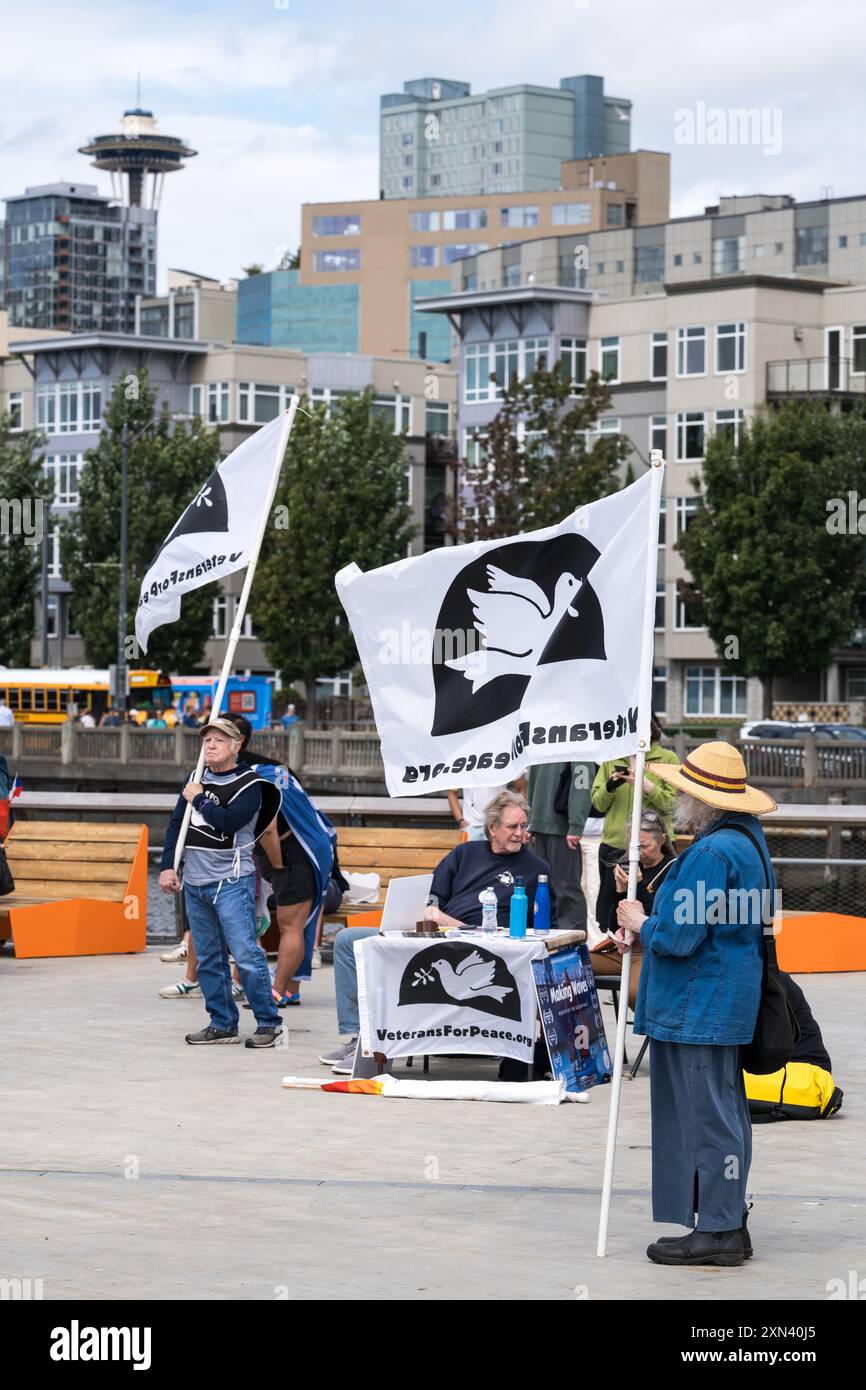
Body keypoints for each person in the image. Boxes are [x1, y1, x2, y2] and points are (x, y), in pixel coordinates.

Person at [613, 740, 777, 1268]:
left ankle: (720, 1229)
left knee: (706, 1118)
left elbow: (681, 938)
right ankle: (728, 1220)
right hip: (723, 999)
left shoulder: (710, 853)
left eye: (685, 790)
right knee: (725, 1114)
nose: (678, 798)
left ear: (705, 801)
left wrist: (643, 923)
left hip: (697, 1004)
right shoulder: (748, 842)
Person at [319, 790, 555, 1075]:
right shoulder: (465, 853)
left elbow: (544, 924)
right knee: (347, 941)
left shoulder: (535, 869)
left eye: (523, 826)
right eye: (512, 827)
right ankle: (361, 1037)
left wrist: (453, 923)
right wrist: (429, 911)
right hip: (434, 935)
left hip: (487, 947)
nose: (520, 833)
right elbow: (433, 895)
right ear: (492, 828)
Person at [158, 718, 285, 1048]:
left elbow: (229, 823)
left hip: (231, 880)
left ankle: (269, 1022)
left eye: (219, 740)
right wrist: (168, 867)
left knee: (245, 954)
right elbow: (176, 826)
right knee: (208, 958)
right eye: (207, 740)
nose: (210, 745)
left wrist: (199, 799)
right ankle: (222, 1022)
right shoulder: (195, 779)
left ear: (236, 745)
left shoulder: (250, 785)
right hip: (195, 881)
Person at [591, 714, 678, 939]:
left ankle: (649, 944)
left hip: (654, 848)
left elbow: (673, 806)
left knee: (655, 903)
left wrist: (644, 784)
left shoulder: (666, 758)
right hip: (616, 844)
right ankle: (614, 946)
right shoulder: (612, 757)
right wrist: (611, 785)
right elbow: (598, 804)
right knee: (612, 904)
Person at [588, 811, 676, 1009]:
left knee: (634, 993)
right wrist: (619, 892)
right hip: (619, 947)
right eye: (635, 846)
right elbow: (610, 925)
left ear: (662, 839)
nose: (639, 852)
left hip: (648, 950)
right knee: (567, 968)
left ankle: (654, 1037)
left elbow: (661, 919)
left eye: (644, 846)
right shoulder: (625, 865)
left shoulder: (672, 869)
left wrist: (640, 886)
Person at [527, 760, 593, 932]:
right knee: (540, 889)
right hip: (540, 826)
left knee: (566, 890)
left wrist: (575, 825)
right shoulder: (541, 739)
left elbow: (582, 783)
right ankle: (544, 936)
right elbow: (532, 777)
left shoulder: (578, 739)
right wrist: (529, 821)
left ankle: (573, 943)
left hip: (563, 829)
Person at [446, 773, 526, 841]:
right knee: (469, 858)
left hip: (498, 824)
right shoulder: (463, 757)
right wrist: (461, 821)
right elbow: (451, 793)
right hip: (470, 826)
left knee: (497, 859)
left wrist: (514, 818)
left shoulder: (506, 755)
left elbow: (522, 789)